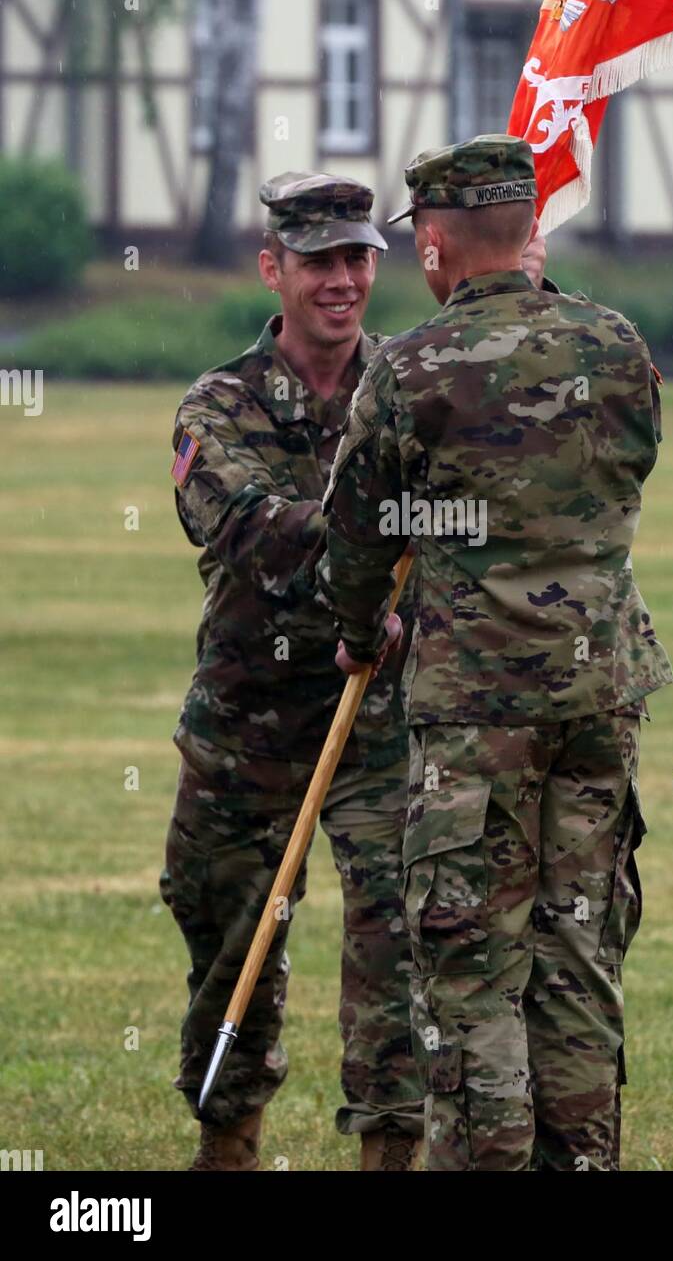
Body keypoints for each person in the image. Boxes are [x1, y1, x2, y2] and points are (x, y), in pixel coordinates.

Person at [317, 134, 673, 1171]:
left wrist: (357, 631)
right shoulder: (614, 344)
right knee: (578, 955)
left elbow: (353, 541)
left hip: (475, 713)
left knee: (472, 966)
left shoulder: (408, 370)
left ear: (432, 246)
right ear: (529, 232)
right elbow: (631, 460)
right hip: (600, 694)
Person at [159, 172, 424, 1171]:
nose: (342, 279)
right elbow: (253, 534)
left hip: (380, 719)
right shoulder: (218, 404)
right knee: (232, 940)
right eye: (318, 260)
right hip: (251, 727)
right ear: (274, 268)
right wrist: (390, 525)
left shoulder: (410, 387)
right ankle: (228, 1144)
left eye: (358, 257)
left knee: (398, 938)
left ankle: (390, 1155)